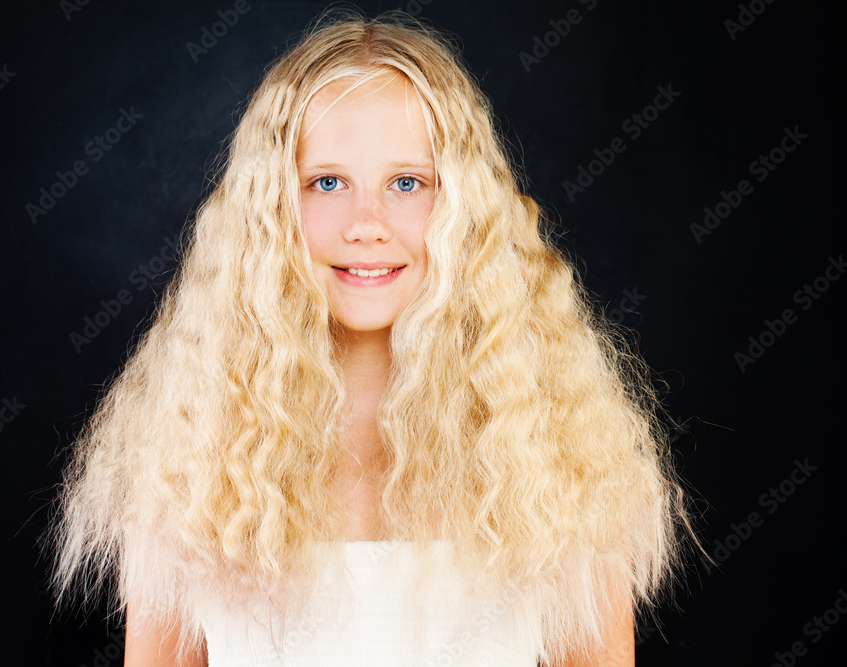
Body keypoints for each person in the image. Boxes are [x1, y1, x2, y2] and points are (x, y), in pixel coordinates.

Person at [43, 9, 697, 666]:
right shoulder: (187, 461)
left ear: (463, 206)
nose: (367, 224)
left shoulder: (564, 457)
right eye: (327, 183)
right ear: (271, 207)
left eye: (406, 184)